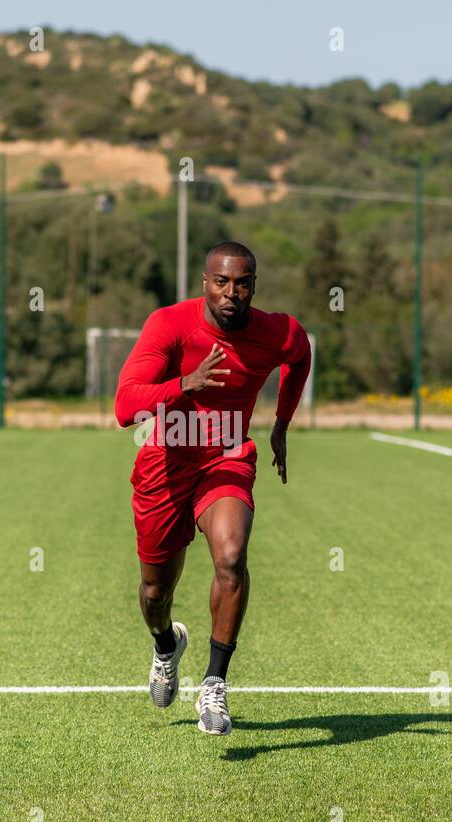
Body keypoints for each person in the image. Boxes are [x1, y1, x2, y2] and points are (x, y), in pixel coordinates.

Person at [113, 241, 311, 735]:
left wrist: (281, 424)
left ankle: (214, 684)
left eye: (242, 283)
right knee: (156, 590)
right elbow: (124, 408)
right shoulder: (169, 324)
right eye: (221, 282)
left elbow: (299, 355)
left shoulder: (277, 331)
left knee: (231, 556)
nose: (231, 292)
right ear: (205, 283)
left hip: (226, 458)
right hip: (165, 459)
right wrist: (185, 384)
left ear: (253, 287)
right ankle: (165, 644)